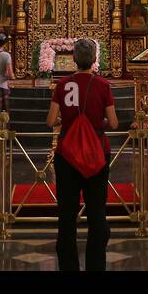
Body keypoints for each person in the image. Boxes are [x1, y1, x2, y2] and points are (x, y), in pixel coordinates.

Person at [46, 38, 118, 271]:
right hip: (97, 152)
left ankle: (68, 266)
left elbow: (50, 120)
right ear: (95, 59)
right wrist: (98, 122)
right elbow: (114, 123)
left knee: (66, 213)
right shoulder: (103, 85)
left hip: (67, 153)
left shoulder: (62, 84)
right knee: (97, 210)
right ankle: (96, 265)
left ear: (73, 59)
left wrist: (67, 120)